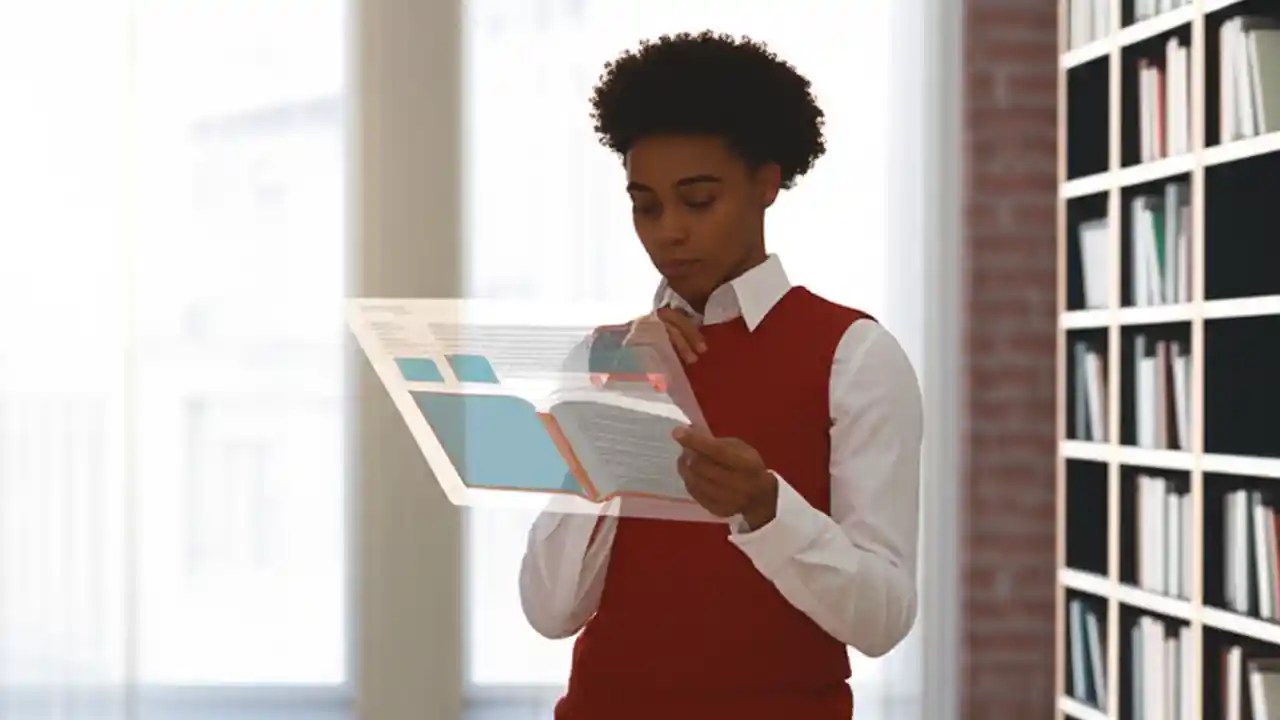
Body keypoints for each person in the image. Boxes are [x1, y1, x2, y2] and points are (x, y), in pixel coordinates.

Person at [518, 30, 923, 719]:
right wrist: (603, 415)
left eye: (698, 201)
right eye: (645, 205)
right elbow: (551, 610)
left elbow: (882, 618)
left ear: (767, 184)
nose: (668, 231)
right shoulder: (607, 360)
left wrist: (767, 507)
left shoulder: (853, 354)